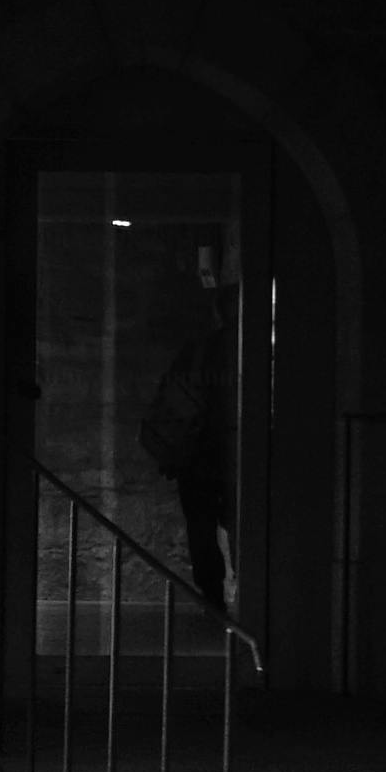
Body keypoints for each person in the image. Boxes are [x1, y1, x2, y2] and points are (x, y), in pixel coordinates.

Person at [139, 238, 239, 619]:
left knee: (201, 526)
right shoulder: (256, 352)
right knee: (242, 521)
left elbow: (172, 397)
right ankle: (241, 593)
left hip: (196, 453)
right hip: (234, 450)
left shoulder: (198, 351)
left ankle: (213, 595)